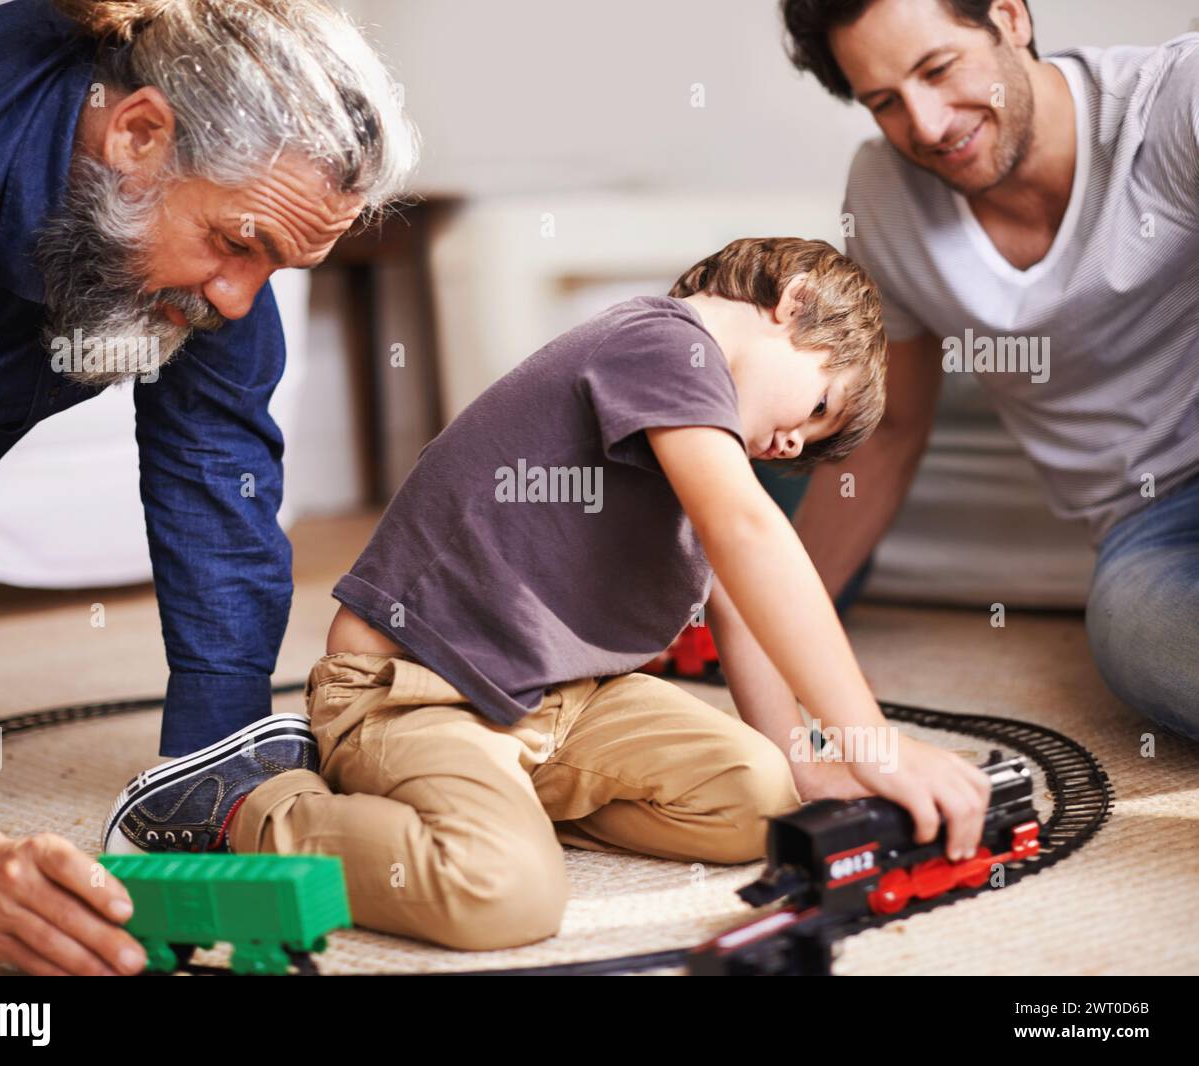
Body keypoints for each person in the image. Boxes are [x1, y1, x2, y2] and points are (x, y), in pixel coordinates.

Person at [105, 237, 992, 951]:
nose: (796, 445)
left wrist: (799, 751)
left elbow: (735, 594)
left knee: (762, 799)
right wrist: (873, 742)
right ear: (793, 301)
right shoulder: (669, 340)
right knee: (505, 894)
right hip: (417, 697)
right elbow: (750, 536)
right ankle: (244, 805)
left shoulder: (697, 428)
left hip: (569, 703)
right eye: (818, 408)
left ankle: (496, 801)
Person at [0, 0, 416, 975]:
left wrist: (214, 775)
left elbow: (216, 472)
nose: (238, 299)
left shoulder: (217, 243)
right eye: (237, 243)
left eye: (279, 264)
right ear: (138, 134)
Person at [778, 0, 1199, 740]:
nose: (931, 125)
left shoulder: (1175, 103)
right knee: (1138, 634)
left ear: (1009, 17)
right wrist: (780, 638)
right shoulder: (884, 197)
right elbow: (891, 430)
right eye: (885, 103)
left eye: (938, 69)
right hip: (1155, 520)